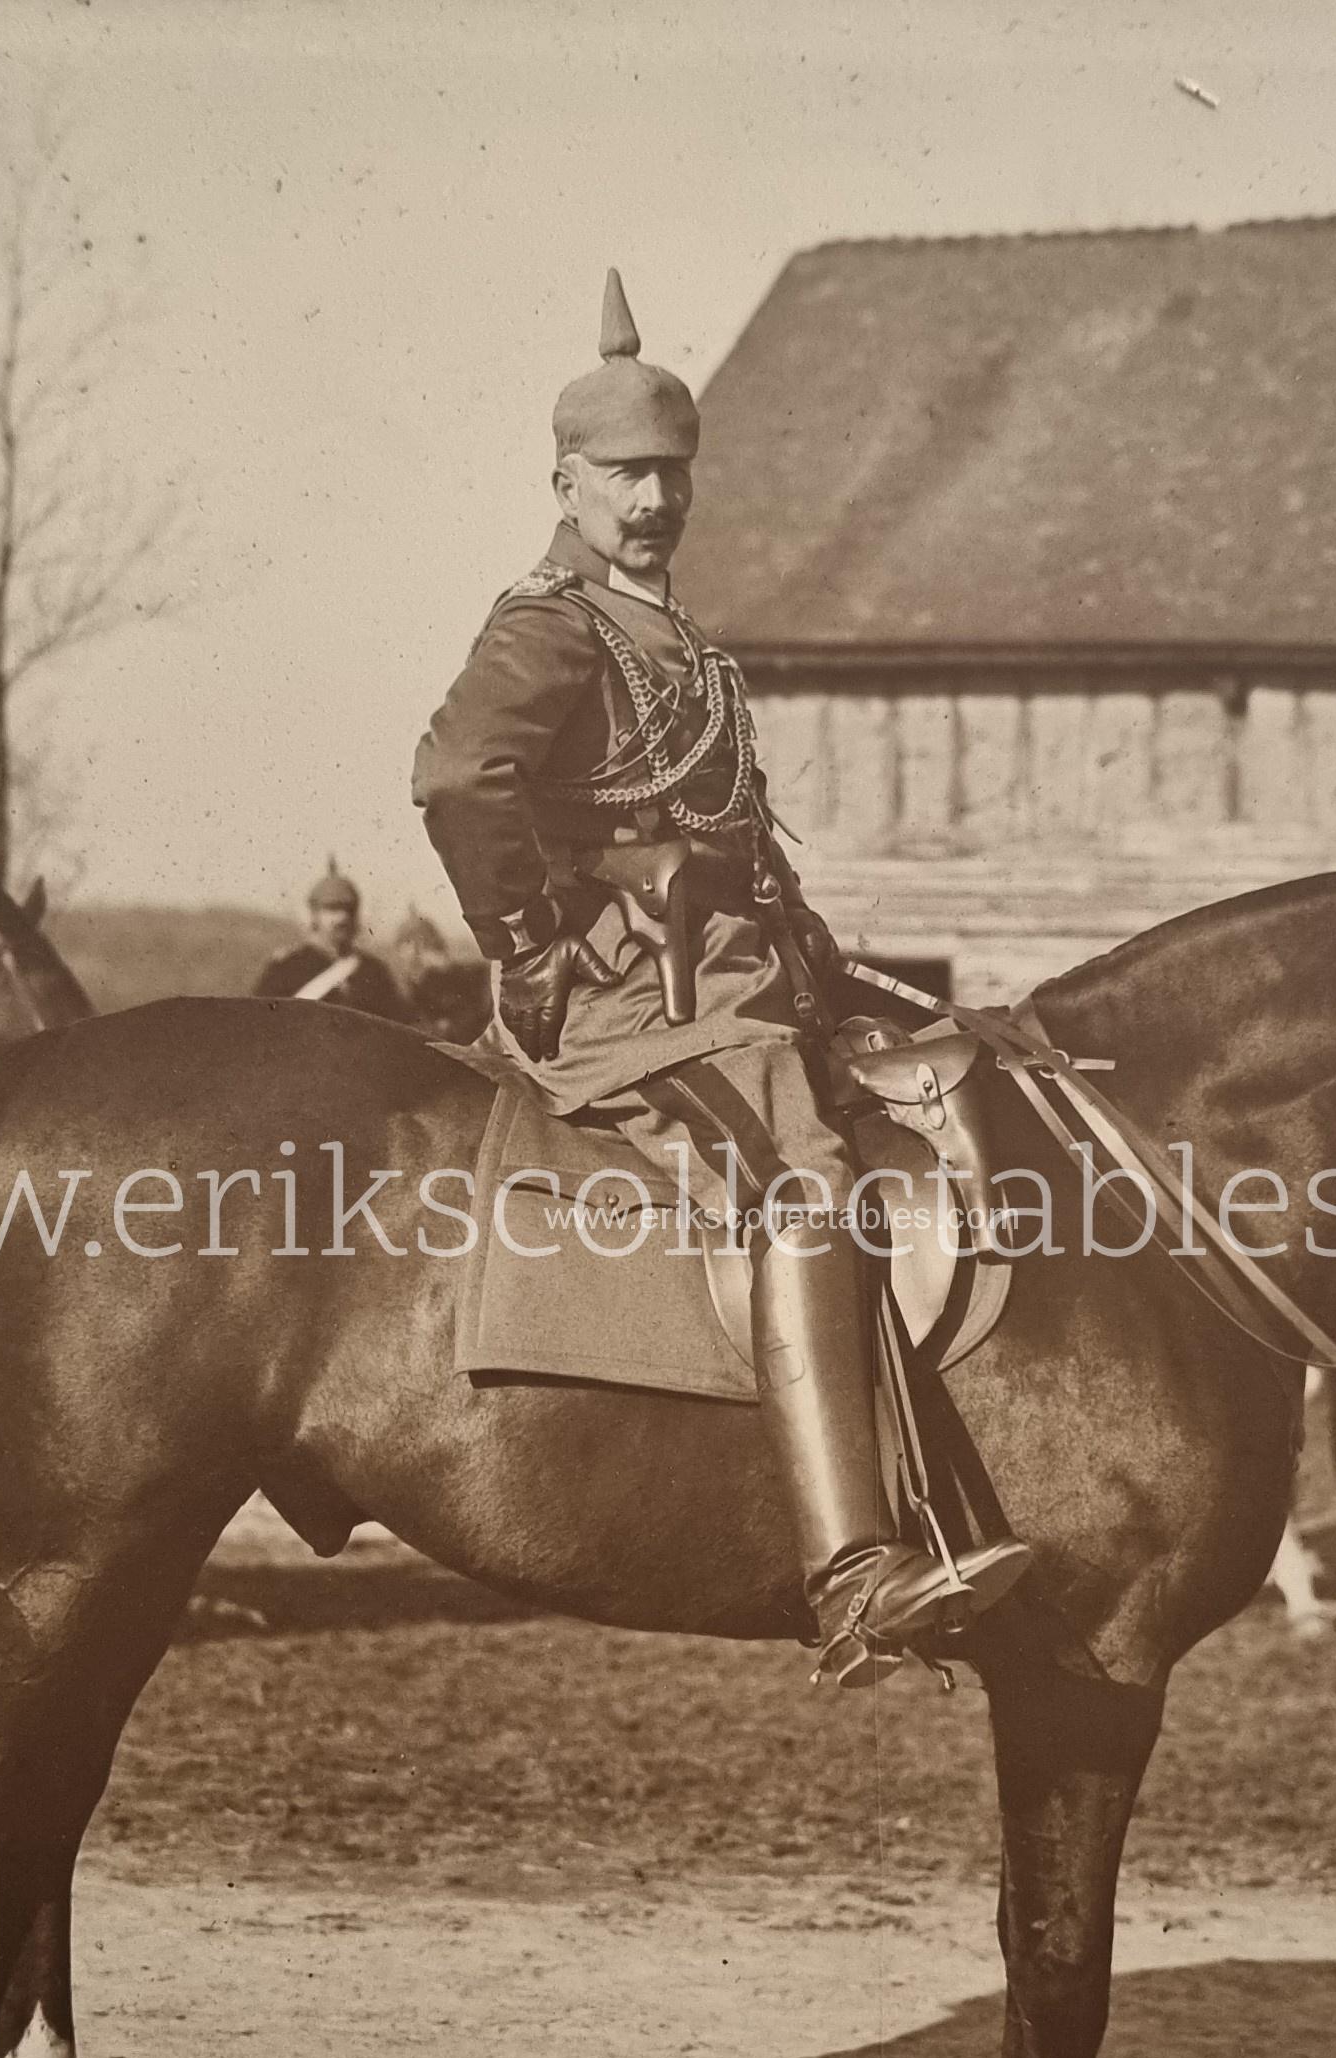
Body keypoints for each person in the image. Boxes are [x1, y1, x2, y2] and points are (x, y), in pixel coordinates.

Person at [412, 270, 1030, 1676]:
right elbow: (459, 776)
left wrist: (822, 962)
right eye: (623, 474)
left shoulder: (675, 634)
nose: (651, 500)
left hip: (741, 983)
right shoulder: (552, 623)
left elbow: (727, 832)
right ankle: (855, 1571)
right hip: (639, 1005)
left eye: (670, 473)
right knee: (809, 1179)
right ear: (562, 481)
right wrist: (529, 948)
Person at [252, 864, 410, 1023]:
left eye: (349, 910)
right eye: (332, 909)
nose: (343, 917)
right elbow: (261, 1024)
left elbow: (398, 1027)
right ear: (315, 914)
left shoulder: (374, 971)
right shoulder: (285, 968)